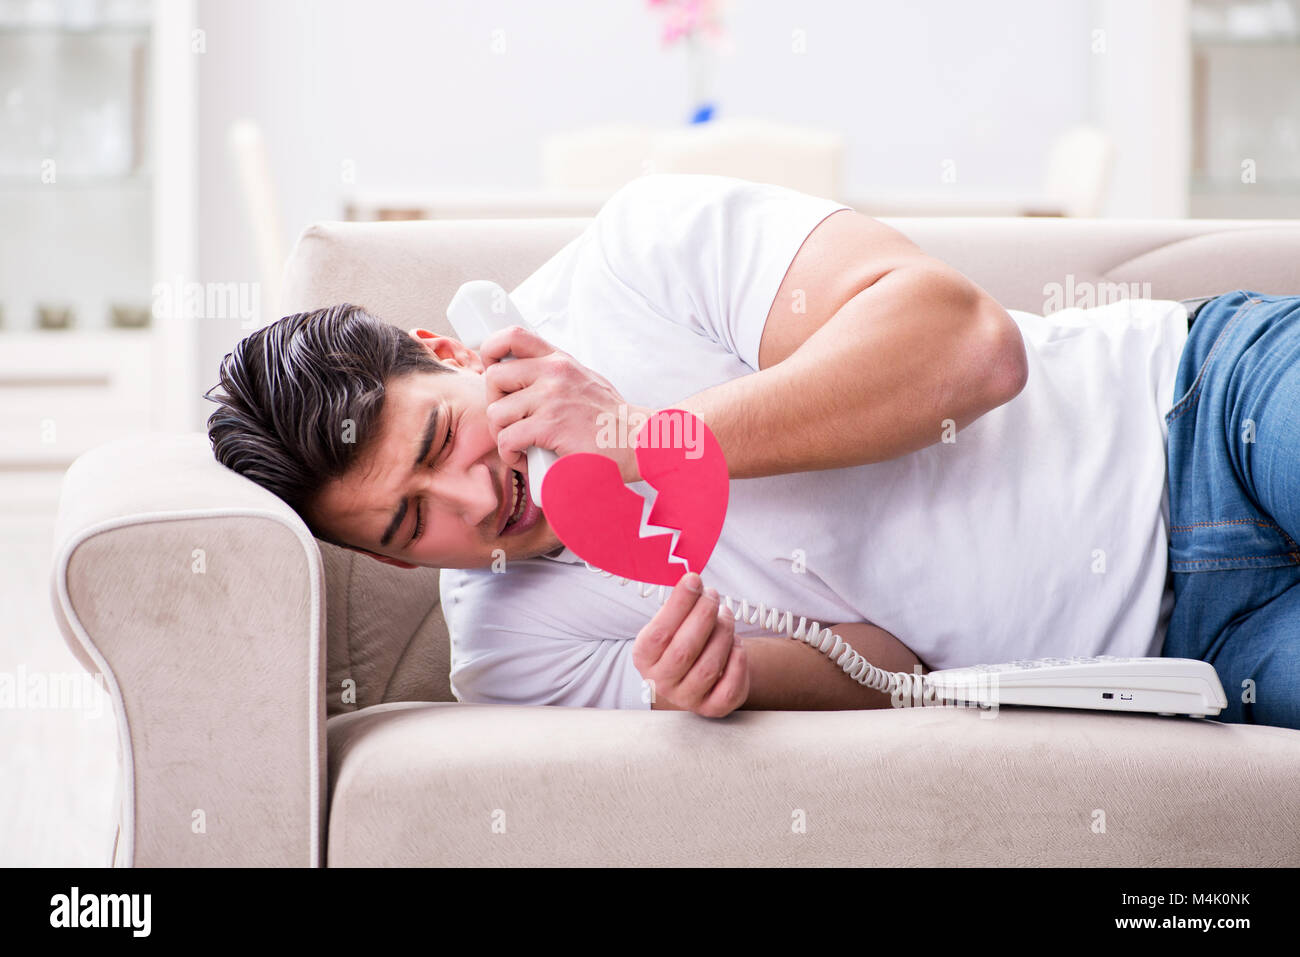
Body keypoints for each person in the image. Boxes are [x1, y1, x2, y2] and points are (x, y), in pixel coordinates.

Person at [205, 172, 1295, 727]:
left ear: (452, 350)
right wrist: (738, 685)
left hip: (1201, 404)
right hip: (1186, 654)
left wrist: (638, 439)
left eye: (445, 433)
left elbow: (973, 351)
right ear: (394, 562)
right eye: (411, 519)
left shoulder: (636, 257)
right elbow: (894, 672)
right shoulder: (513, 663)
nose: (474, 495)